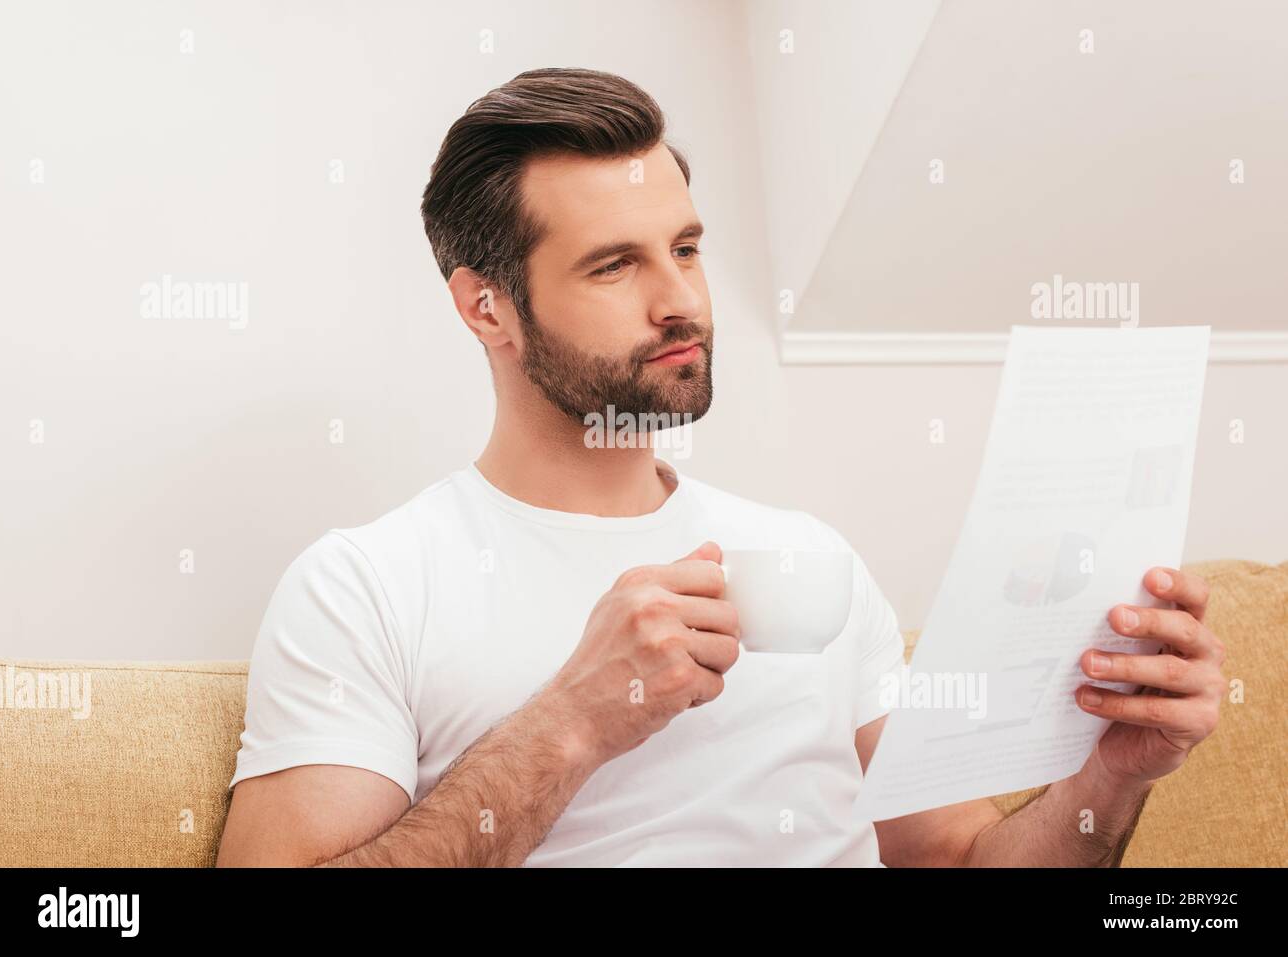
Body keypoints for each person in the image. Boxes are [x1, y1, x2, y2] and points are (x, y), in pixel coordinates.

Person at [216, 68, 1225, 867]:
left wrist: (1110, 780)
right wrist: (570, 724)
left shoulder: (807, 557)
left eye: (687, 249)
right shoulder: (368, 586)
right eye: (615, 265)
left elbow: (955, 862)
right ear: (488, 308)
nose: (680, 302)